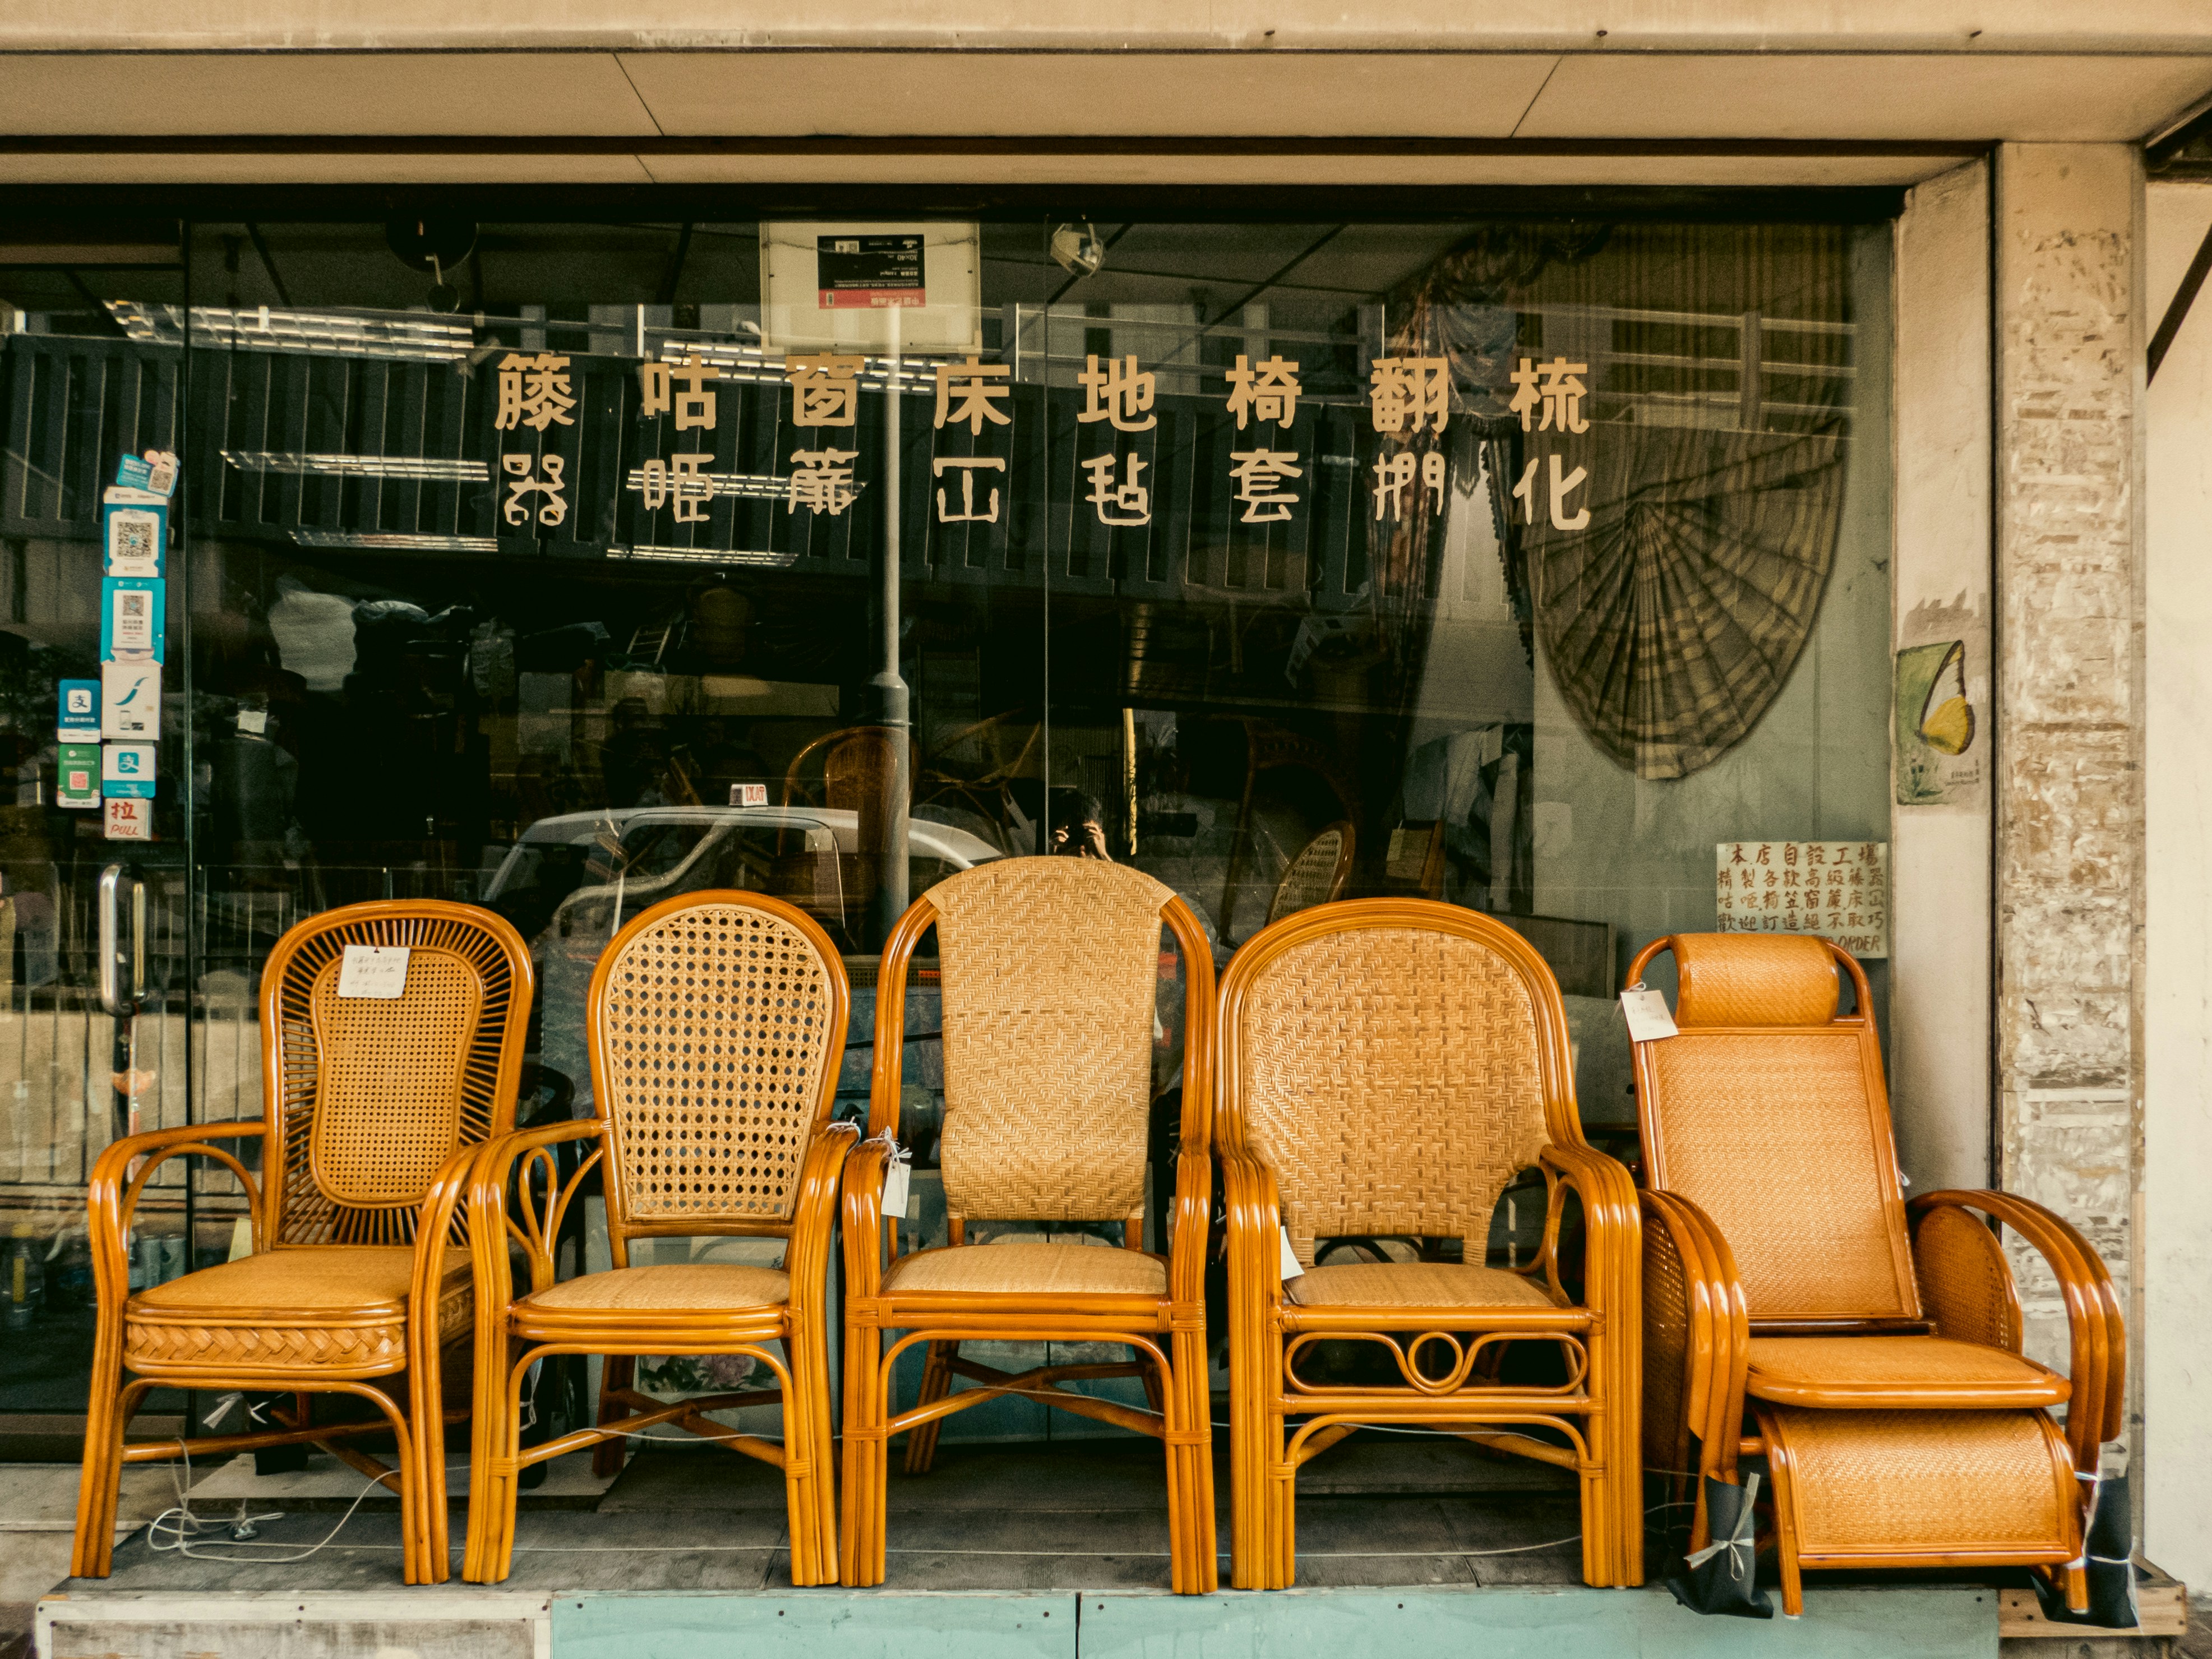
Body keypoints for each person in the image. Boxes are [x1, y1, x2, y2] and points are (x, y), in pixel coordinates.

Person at [1047, 789, 1112, 861]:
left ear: (1099, 833)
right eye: (1072, 832)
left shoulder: (1104, 863)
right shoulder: (1055, 855)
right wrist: (1051, 856)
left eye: (1084, 832)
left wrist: (1103, 855)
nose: (1080, 843)